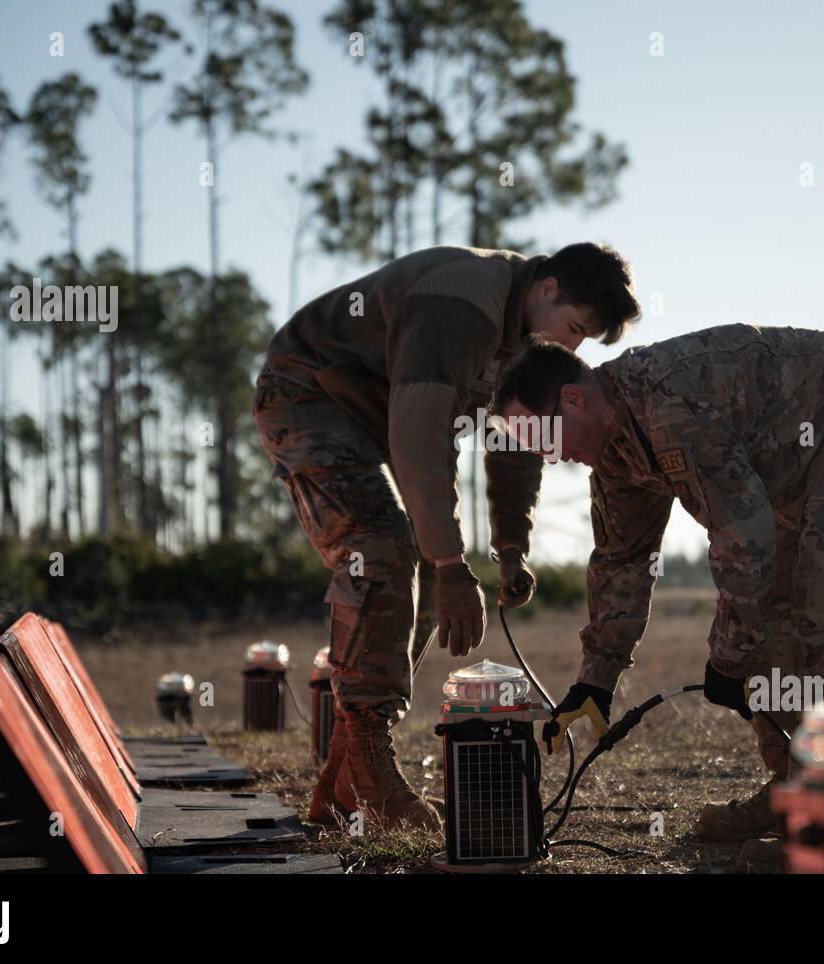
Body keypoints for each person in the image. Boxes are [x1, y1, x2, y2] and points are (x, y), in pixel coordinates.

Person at [491, 324, 824, 847]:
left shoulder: (671, 405)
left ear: (573, 399)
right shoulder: (612, 454)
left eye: (544, 438)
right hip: (793, 472)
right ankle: (799, 788)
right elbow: (622, 562)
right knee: (770, 625)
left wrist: (726, 660)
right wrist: (596, 679)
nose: (549, 457)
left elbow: (743, 540)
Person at [253, 243, 640, 830]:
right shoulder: (461, 300)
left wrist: (509, 547)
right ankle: (371, 767)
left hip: (370, 416)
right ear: (547, 288)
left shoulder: (525, 342)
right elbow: (420, 435)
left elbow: (516, 438)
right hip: (307, 393)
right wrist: (453, 563)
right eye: (574, 328)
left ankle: (346, 781)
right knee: (381, 549)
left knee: (430, 577)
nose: (572, 348)